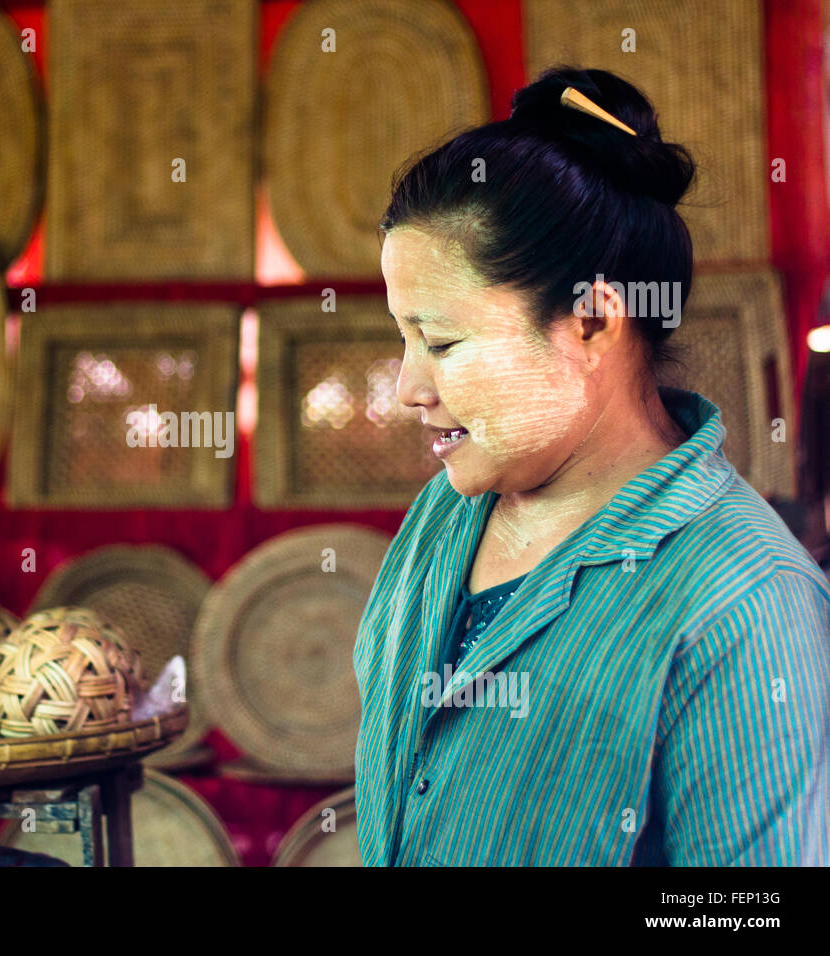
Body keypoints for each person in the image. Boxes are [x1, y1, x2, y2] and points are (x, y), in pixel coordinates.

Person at [353, 66, 829, 866]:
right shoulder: (445, 515)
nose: (408, 388)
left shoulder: (744, 607)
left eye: (441, 343)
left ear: (593, 320)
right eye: (404, 338)